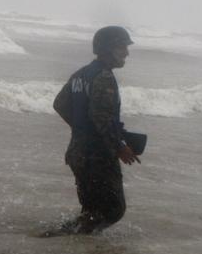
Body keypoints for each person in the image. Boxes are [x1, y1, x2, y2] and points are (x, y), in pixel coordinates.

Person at [53, 25, 139, 234]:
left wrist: (83, 130)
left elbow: (60, 104)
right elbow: (101, 117)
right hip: (97, 157)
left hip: (78, 154)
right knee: (113, 210)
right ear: (108, 48)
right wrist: (119, 147)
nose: (127, 52)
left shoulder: (81, 74)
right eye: (122, 47)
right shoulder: (104, 76)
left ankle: (69, 245)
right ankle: (61, 238)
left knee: (91, 211)